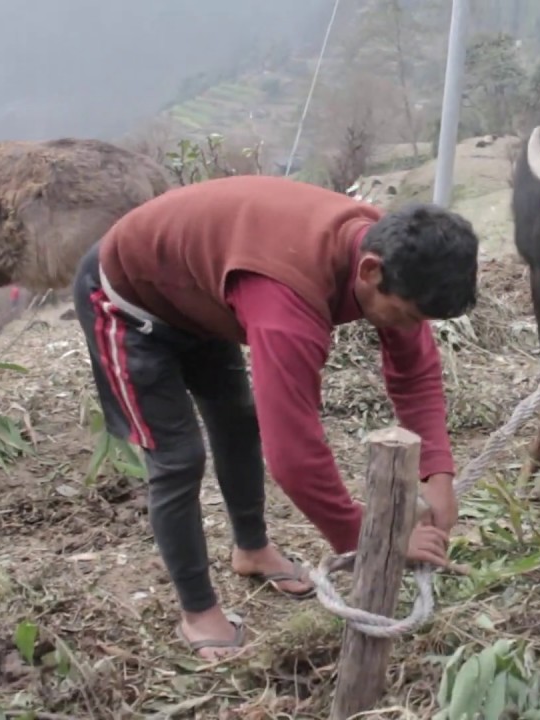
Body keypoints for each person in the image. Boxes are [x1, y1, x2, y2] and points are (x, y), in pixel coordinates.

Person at [70, 174, 480, 659]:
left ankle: (251, 549)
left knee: (238, 423)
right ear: (369, 272)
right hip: (128, 301)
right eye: (409, 315)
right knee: (178, 459)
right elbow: (294, 455)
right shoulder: (289, 302)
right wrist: (370, 539)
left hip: (202, 293)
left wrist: (439, 474)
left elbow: (415, 375)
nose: (413, 329)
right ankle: (198, 612)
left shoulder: (392, 254)